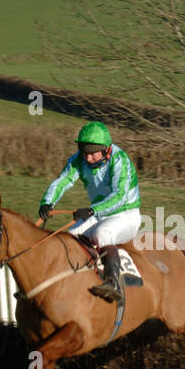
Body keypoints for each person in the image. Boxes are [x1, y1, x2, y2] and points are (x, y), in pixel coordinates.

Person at [37, 121, 141, 306]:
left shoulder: (120, 160)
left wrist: (92, 209)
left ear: (106, 150)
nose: (88, 158)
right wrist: (47, 203)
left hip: (126, 215)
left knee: (103, 234)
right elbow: (62, 181)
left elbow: (120, 197)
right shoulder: (79, 159)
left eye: (93, 153)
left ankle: (113, 283)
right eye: (85, 153)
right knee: (69, 238)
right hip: (99, 214)